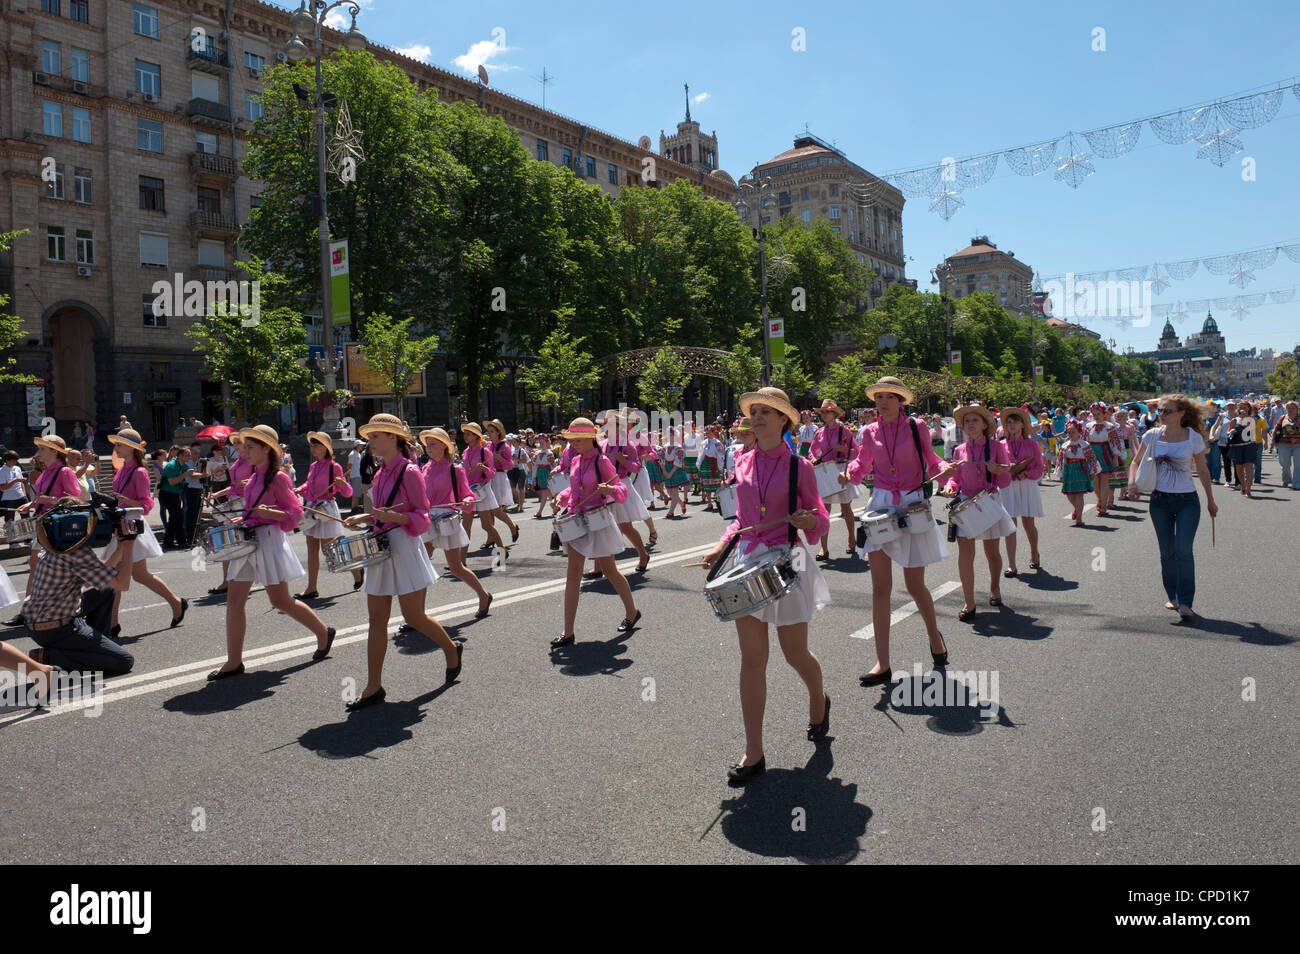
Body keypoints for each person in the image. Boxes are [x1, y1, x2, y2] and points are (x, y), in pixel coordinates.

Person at [698, 387, 830, 784]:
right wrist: (721, 544)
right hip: (748, 563)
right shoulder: (741, 460)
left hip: (788, 563)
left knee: (795, 654)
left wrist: (809, 522)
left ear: (784, 421)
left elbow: (821, 520)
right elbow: (739, 519)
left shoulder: (799, 467)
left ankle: (818, 698)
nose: (755, 418)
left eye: (765, 413)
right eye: (753, 412)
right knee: (752, 658)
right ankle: (753, 751)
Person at [341, 415, 462, 709]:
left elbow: (422, 518)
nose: (370, 442)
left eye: (375, 437)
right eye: (369, 437)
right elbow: (384, 511)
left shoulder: (410, 472)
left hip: (405, 547)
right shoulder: (381, 472)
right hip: (381, 548)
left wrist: (391, 517)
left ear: (392, 438)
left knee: (414, 617)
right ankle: (373, 686)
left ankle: (451, 649)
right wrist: (366, 517)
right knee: (376, 620)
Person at [841, 377, 954, 688]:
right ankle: (883, 663)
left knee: (915, 585)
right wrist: (850, 472)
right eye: (879, 396)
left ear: (900, 401)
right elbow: (862, 464)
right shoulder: (868, 431)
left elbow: (932, 461)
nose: (883, 401)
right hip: (880, 506)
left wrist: (948, 478)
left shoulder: (917, 427)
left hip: (913, 504)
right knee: (881, 588)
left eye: (890, 396)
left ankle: (935, 637)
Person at [208, 425, 335, 679]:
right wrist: (241, 519)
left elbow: (294, 513)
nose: (245, 451)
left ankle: (323, 632)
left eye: (251, 447)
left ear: (267, 448)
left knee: (280, 601)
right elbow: (253, 509)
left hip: (268, 540)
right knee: (234, 600)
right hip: (249, 540)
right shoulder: (254, 477)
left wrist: (269, 513)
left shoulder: (278, 477)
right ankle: (234, 661)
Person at [549, 418, 640, 649]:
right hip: (576, 523)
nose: (574, 444)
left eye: (578, 439)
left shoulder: (602, 461)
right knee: (573, 575)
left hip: (598, 521)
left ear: (591, 437)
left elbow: (621, 491)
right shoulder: (576, 460)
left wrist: (610, 489)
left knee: (610, 570)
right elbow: (575, 488)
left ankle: (632, 611)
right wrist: (563, 496)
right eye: (572, 440)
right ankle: (567, 631)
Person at [1129, 396, 1217, 621]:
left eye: (1167, 411)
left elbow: (1203, 470)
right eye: (1160, 411)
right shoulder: (1152, 435)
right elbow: (1136, 462)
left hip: (1187, 501)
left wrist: (1210, 499)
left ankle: (1186, 601)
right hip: (1160, 502)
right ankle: (1174, 596)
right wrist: (1131, 483)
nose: (1162, 414)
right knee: (1167, 553)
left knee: (1183, 550)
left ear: (1181, 414)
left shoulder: (1193, 438)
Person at [17, 517, 138, 678]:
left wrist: (120, 548)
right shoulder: (78, 553)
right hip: (56, 629)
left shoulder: (54, 545)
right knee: (124, 661)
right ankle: (50, 656)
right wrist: (129, 546)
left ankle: (95, 647)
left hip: (37, 622)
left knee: (105, 591)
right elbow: (123, 584)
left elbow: (91, 581)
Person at [102, 429, 187, 639]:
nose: (116, 448)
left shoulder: (139, 472)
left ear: (132, 448)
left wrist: (125, 501)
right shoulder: (122, 469)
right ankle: (113, 623)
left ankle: (112, 624)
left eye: (120, 444)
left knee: (122, 575)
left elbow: (146, 505)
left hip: (132, 527)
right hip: (122, 524)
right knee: (132, 575)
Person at [941, 404, 1015, 622]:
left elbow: (1006, 480)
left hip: (988, 502)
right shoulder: (959, 450)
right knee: (966, 553)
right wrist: (951, 486)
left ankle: (994, 588)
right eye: (966, 421)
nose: (970, 424)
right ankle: (969, 601)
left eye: (975, 420)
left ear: (984, 425)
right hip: (966, 503)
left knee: (992, 551)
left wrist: (999, 471)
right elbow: (956, 477)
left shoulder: (996, 447)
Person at [6, 435, 82, 626]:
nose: (38, 452)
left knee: (57, 569)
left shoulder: (65, 472)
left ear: (54, 452)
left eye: (42, 449)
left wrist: (48, 501)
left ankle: (68, 610)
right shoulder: (46, 472)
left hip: (56, 527)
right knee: (35, 565)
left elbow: (74, 500)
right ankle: (28, 612)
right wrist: (31, 503)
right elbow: (42, 496)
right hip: (43, 523)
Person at [419, 427, 492, 618]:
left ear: (444, 446)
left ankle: (484, 596)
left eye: (433, 444)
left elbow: (467, 495)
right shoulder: (424, 468)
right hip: (428, 519)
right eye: (427, 444)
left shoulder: (455, 470)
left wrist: (467, 500)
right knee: (421, 566)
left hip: (446, 519)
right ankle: (416, 614)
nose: (429, 448)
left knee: (455, 567)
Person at [294, 432, 362, 599]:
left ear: (326, 447)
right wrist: (299, 489)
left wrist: (342, 484)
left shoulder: (334, 467)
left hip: (326, 508)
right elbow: (309, 486)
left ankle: (356, 569)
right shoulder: (313, 466)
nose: (313, 449)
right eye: (312, 445)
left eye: (316, 445)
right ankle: (311, 587)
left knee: (329, 550)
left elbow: (348, 492)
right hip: (313, 507)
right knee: (311, 549)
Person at [595, 411, 650, 576]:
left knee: (625, 526)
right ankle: (599, 567)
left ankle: (643, 555)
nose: (608, 427)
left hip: (620, 484)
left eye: (611, 424)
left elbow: (636, 467)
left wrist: (623, 460)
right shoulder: (603, 443)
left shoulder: (627, 444)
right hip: (605, 486)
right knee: (602, 526)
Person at [998, 408, 1045, 576]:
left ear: (1022, 425)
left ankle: (1034, 552)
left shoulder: (1031, 444)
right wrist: (1006, 470)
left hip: (1027, 485)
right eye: (1008, 423)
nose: (1011, 425)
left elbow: (1040, 467)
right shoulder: (1001, 444)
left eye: (1015, 422)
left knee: (1028, 523)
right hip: (1008, 486)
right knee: (1010, 525)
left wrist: (1027, 473)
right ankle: (1012, 564)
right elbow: (997, 467)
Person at [810, 399, 859, 561]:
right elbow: (812, 449)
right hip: (825, 471)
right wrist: (812, 458)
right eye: (822, 412)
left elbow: (856, 451)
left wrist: (843, 449)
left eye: (827, 411)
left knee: (846, 508)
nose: (824, 414)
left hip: (840, 470)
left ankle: (852, 538)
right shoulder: (819, 432)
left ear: (835, 413)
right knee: (824, 511)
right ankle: (824, 547)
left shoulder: (844, 431)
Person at [458, 422, 506, 556]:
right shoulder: (466, 452)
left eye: (468, 434)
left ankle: (502, 550)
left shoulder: (485, 451)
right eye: (465, 433)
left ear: (476, 436)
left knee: (486, 525)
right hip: (469, 492)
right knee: (465, 526)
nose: (465, 436)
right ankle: (461, 561)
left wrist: (485, 469)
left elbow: (492, 473)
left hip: (482, 491)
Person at [483, 420, 521, 543]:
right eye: (488, 431)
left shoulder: (504, 446)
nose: (489, 434)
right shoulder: (488, 446)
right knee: (489, 509)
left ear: (498, 432)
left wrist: (498, 457)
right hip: (489, 477)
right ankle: (491, 537)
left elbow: (509, 465)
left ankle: (512, 526)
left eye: (492, 431)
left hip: (499, 477)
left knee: (495, 509)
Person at [1056, 419, 1099, 526]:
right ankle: (1077, 508)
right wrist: (1060, 474)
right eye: (1069, 432)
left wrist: (1093, 472)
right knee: (1069, 494)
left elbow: (1091, 459)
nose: (1070, 434)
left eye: (1073, 432)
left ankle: (1079, 518)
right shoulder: (1065, 445)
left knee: (1079, 495)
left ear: (1078, 432)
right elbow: (1060, 461)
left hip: (1081, 470)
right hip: (1069, 471)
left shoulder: (1084, 444)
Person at [1084, 404, 1123, 516]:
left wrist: (1116, 456)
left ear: (1104, 414)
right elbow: (1084, 441)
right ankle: (1100, 499)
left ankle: (1103, 507)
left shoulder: (1110, 426)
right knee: (1095, 481)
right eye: (1094, 414)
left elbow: (1115, 442)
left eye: (1098, 414)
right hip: (1092, 454)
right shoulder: (1089, 426)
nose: (1096, 416)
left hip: (1105, 454)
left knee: (1104, 480)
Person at [157, 446, 189, 549]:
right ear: (179, 456)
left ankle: (169, 543)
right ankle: (180, 542)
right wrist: (185, 475)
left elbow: (193, 474)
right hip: (166, 494)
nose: (189, 457)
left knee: (175, 518)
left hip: (174, 495)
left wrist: (204, 473)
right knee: (177, 517)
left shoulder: (182, 465)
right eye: (186, 455)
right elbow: (172, 482)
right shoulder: (171, 465)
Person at [1226, 401, 1257, 497]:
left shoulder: (1252, 419)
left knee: (1249, 467)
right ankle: (1243, 485)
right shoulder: (1234, 420)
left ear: (1249, 408)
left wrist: (1246, 420)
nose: (1242, 409)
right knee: (1239, 467)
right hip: (1237, 446)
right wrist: (1231, 431)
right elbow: (1228, 432)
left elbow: (1251, 432)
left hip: (1249, 445)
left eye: (1245, 407)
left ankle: (1248, 489)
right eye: (1241, 407)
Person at [1271, 400, 1300, 489]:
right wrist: (1273, 441)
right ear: (1286, 409)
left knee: (1298, 464)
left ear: (1297, 409)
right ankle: (1286, 480)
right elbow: (1275, 430)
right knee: (1284, 464)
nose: (1290, 410)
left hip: (1298, 444)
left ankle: (1297, 483)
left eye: (1292, 408)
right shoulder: (1283, 418)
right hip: (1284, 443)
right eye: (1288, 408)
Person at [660, 427, 689, 517]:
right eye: (667, 434)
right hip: (667, 468)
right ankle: (681, 504)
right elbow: (662, 460)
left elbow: (678, 461)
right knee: (669, 492)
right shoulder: (664, 447)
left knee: (675, 491)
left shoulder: (678, 447)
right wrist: (664, 471)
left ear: (674, 435)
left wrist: (670, 473)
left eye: (671, 434)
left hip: (675, 469)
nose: (669, 436)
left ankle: (671, 512)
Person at [181, 441, 206, 547]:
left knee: (197, 515)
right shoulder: (188, 463)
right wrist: (202, 473)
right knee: (191, 515)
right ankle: (190, 538)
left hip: (198, 490)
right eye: (194, 453)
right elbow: (193, 475)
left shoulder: (198, 463)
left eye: (198, 453)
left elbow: (203, 475)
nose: (197, 455)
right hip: (190, 490)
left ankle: (195, 537)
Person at [0, 450, 26, 523]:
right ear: (7, 460)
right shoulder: (1, 471)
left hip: (21, 496)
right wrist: (15, 480)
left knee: (26, 518)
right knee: (9, 520)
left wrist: (24, 495)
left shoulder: (17, 468)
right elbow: (3, 487)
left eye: (16, 460)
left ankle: (27, 534)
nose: (15, 462)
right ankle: (10, 534)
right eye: (13, 460)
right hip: (9, 499)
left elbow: (22, 483)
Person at [347, 439, 365, 512]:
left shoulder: (358, 453)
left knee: (357, 493)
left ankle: (356, 507)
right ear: (357, 445)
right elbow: (349, 466)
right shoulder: (352, 454)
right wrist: (348, 478)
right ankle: (354, 508)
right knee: (355, 493)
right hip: (354, 476)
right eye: (360, 445)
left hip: (358, 475)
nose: (362, 446)